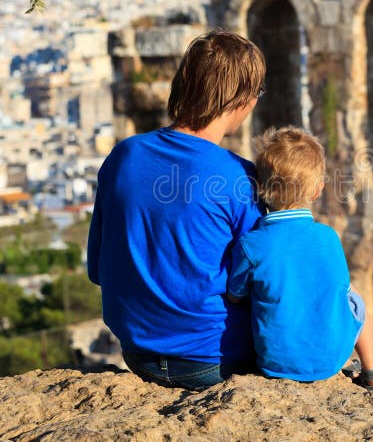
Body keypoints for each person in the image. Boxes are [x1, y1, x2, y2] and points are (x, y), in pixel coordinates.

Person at [87, 30, 266, 391]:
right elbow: (265, 282)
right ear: (243, 100)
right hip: (216, 359)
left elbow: (97, 270)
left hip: (137, 354)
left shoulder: (124, 157)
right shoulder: (240, 178)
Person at [226, 127, 373, 390]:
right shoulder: (328, 237)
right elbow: (338, 290)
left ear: (259, 189)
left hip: (274, 363)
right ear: (317, 190)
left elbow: (235, 295)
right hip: (332, 359)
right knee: (353, 294)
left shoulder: (251, 245)